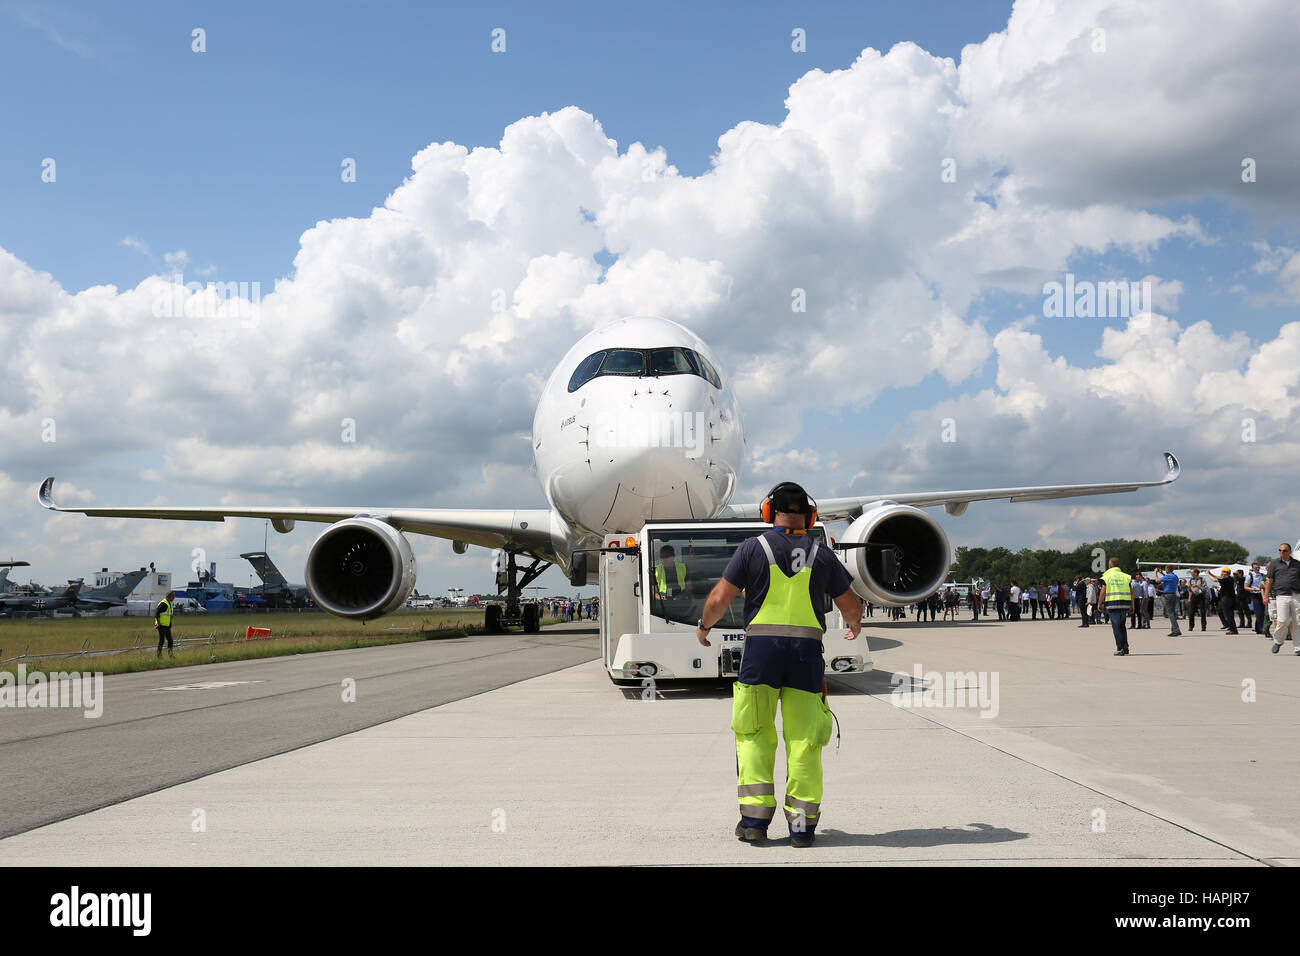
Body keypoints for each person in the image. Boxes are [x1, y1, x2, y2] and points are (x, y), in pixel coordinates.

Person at [696, 481, 862, 847]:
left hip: (760, 655)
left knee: (754, 733)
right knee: (804, 740)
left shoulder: (752, 548)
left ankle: (754, 823)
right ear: (811, 515)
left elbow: (720, 597)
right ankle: (801, 829)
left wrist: (704, 627)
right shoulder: (821, 554)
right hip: (806, 657)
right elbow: (850, 603)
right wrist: (854, 625)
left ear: (768, 512)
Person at [1264, 544, 1300, 655]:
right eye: (1280, 550)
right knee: (1282, 621)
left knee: (1298, 622)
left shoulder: (1297, 564)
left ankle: (1298, 647)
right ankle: (1278, 641)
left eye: (1284, 550)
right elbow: (1269, 581)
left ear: (1289, 552)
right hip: (1282, 595)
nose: (1281, 552)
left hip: (1296, 595)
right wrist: (1266, 596)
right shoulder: (1274, 563)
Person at [1099, 559, 1134, 655]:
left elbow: (1103, 591)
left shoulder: (1107, 577)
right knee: (1122, 626)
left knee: (1116, 627)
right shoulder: (1126, 576)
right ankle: (1125, 646)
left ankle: (1120, 648)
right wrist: (1132, 605)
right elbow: (1131, 592)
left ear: (1110, 566)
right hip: (1125, 604)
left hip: (1112, 604)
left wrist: (1099, 604)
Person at [1207, 567, 1238, 635]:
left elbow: (1215, 580)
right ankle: (1232, 628)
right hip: (1227, 598)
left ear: (1226, 573)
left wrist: (1208, 574)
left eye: (1223, 572)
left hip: (1227, 598)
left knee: (1228, 614)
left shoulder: (1227, 579)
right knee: (1227, 613)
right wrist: (1210, 573)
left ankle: (1233, 629)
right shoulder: (1227, 579)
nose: (1221, 574)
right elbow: (1217, 578)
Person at [1156, 565, 1183, 637]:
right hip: (1173, 594)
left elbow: (1157, 580)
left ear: (1168, 569)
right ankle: (1174, 630)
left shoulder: (1169, 576)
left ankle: (1176, 630)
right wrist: (1162, 573)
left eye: (1165, 569)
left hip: (1168, 595)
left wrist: (1155, 573)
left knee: (1170, 613)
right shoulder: (1174, 576)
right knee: (1173, 613)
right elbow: (1167, 578)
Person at [1246, 562, 1266, 635]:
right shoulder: (1249, 576)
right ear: (1252, 568)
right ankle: (1261, 629)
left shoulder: (1262, 575)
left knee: (1262, 612)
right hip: (1255, 595)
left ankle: (1258, 628)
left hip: (1262, 594)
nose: (1257, 569)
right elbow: (1246, 587)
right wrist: (1254, 589)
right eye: (1255, 568)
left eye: (1258, 567)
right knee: (1258, 612)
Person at [155, 590, 176, 659]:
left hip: (166, 625)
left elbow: (169, 615)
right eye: (173, 596)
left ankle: (170, 655)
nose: (174, 598)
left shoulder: (168, 603)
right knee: (162, 640)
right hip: (161, 625)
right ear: (170, 596)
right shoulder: (164, 604)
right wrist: (158, 623)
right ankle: (159, 656)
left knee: (170, 640)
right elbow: (157, 613)